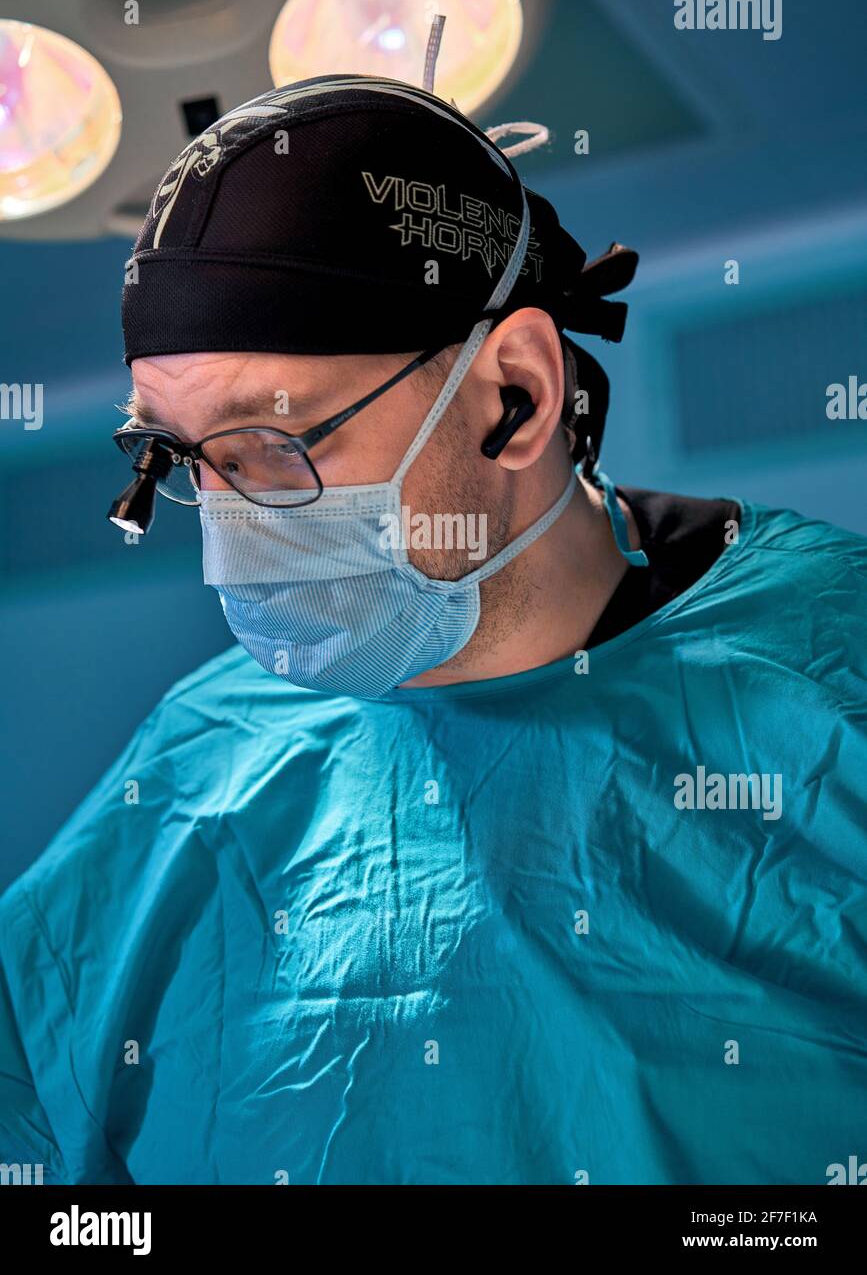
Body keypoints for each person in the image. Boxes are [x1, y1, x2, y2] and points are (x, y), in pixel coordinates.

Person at [1, 75, 865, 1186]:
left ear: (514, 392)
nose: (230, 530)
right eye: (178, 456)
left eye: (273, 441)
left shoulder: (827, 683)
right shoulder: (204, 753)